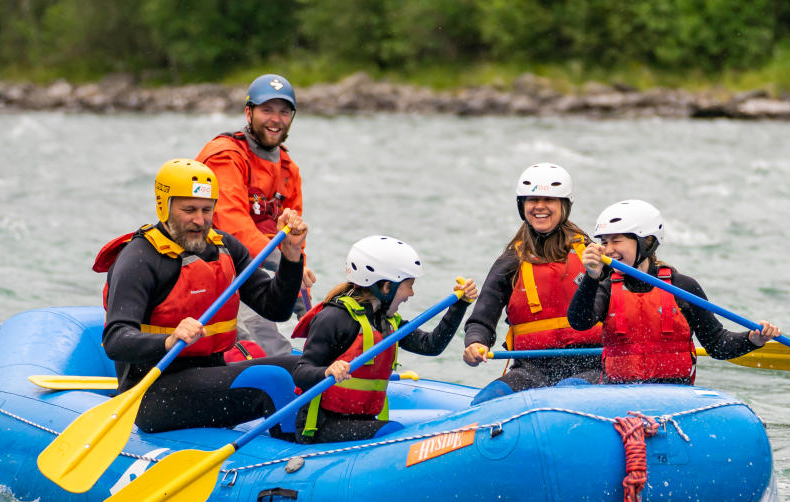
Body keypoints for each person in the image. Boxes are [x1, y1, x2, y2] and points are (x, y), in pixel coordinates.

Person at [94, 158, 308, 433]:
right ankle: (293, 457)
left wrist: (291, 259)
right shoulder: (138, 259)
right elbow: (115, 340)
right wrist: (168, 341)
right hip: (151, 393)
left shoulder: (226, 248)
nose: (200, 220)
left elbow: (276, 309)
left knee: (303, 368)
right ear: (165, 206)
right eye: (189, 210)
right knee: (274, 379)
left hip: (208, 375)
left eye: (207, 210)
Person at [567, 199, 781, 384]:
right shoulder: (605, 286)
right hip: (619, 393)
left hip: (675, 395)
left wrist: (754, 339)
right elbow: (580, 322)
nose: (608, 249)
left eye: (617, 240)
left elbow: (717, 345)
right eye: (604, 242)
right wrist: (591, 277)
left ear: (646, 242)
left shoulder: (683, 287)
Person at [291, 236, 478, 444]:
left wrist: (459, 305)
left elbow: (431, 345)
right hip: (321, 426)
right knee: (392, 432)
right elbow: (300, 372)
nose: (411, 293)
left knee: (392, 430)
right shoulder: (334, 318)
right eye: (409, 285)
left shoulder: (387, 322)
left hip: (363, 421)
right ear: (386, 287)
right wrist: (327, 371)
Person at [461, 163, 603, 403]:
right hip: (531, 369)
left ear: (564, 206)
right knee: (483, 401)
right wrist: (475, 343)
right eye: (532, 200)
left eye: (549, 199)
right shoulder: (510, 262)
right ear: (522, 205)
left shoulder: (591, 255)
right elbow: (481, 319)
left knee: (564, 395)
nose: (539, 206)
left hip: (590, 365)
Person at [196, 73, 314, 356]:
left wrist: (305, 302)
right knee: (261, 344)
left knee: (302, 322)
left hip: (255, 269)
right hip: (214, 267)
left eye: (284, 112)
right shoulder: (225, 156)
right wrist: (288, 267)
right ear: (249, 113)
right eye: (267, 110)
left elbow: (293, 239)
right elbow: (233, 226)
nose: (276, 119)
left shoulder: (289, 169)